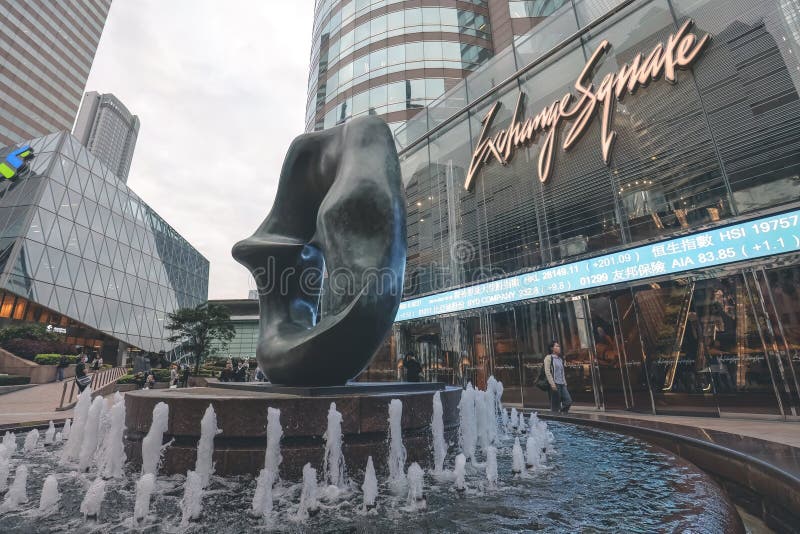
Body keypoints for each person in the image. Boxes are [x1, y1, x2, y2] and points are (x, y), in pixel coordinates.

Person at [543, 340, 572, 413]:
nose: (559, 347)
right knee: (555, 405)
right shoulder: (548, 358)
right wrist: (552, 384)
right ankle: (556, 419)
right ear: (552, 348)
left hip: (562, 384)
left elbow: (562, 372)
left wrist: (564, 382)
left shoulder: (560, 358)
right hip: (554, 384)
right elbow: (547, 371)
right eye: (557, 346)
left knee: (568, 401)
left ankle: (561, 414)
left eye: (559, 346)